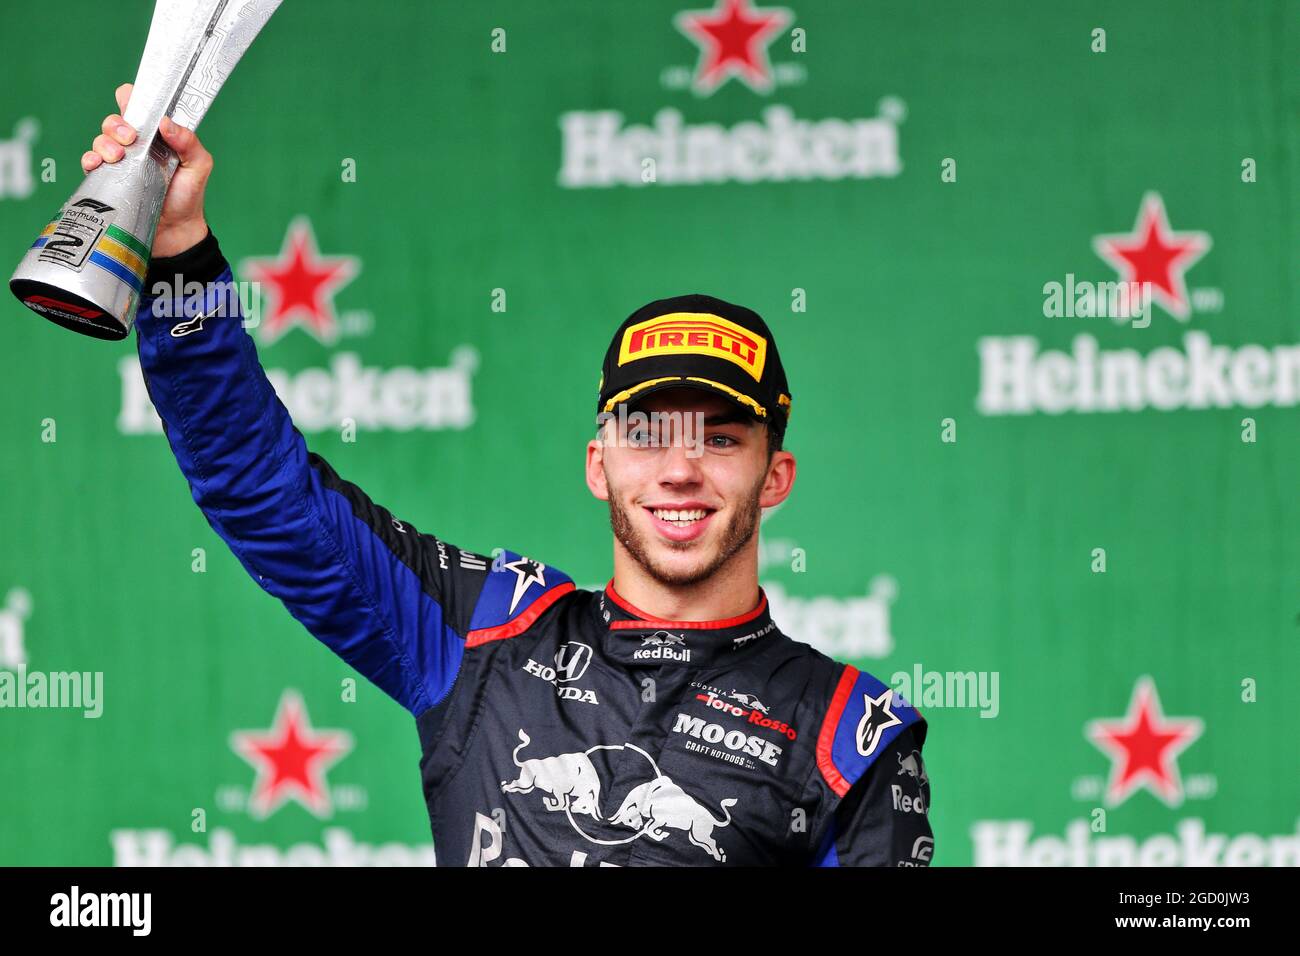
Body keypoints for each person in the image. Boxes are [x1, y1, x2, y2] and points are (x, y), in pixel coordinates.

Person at [84, 83, 933, 867]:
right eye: (647, 433)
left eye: (719, 439)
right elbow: (267, 496)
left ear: (774, 475)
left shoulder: (848, 735)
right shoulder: (487, 634)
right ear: (598, 465)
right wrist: (180, 259)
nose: (680, 468)